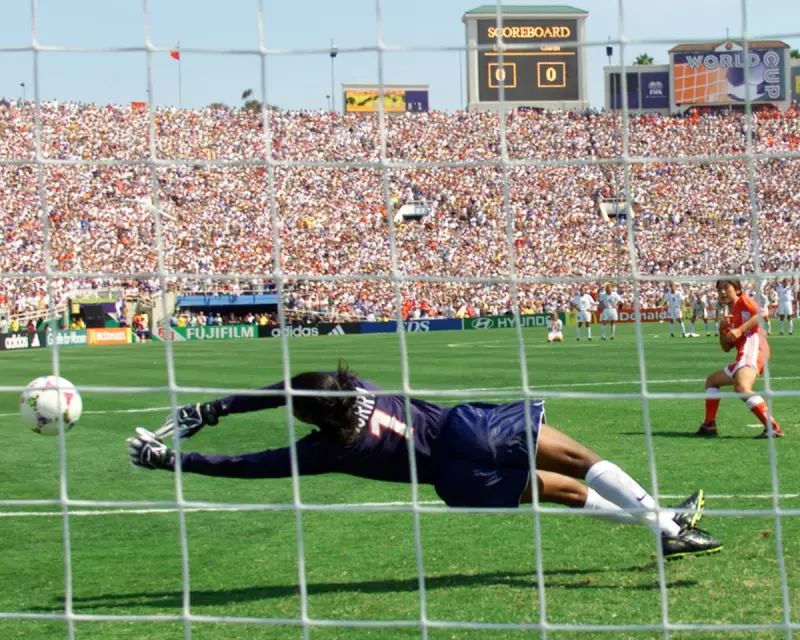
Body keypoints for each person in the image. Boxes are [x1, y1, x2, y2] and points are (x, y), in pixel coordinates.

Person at [128, 362, 723, 560]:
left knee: (562, 493)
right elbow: (288, 386)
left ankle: (664, 524)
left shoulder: (326, 448)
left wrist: (172, 460)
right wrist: (216, 406)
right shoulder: (354, 386)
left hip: (454, 478)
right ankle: (667, 527)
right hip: (468, 431)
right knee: (581, 461)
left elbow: (247, 465)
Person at [697, 279, 784, 439]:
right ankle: (709, 424)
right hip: (744, 354)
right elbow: (726, 348)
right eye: (719, 290)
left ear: (737, 290)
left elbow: (762, 313)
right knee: (712, 381)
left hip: (753, 345)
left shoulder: (743, 300)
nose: (722, 292)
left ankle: (773, 427)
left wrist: (740, 329)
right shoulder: (727, 317)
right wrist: (722, 330)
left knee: (742, 387)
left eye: (726, 288)